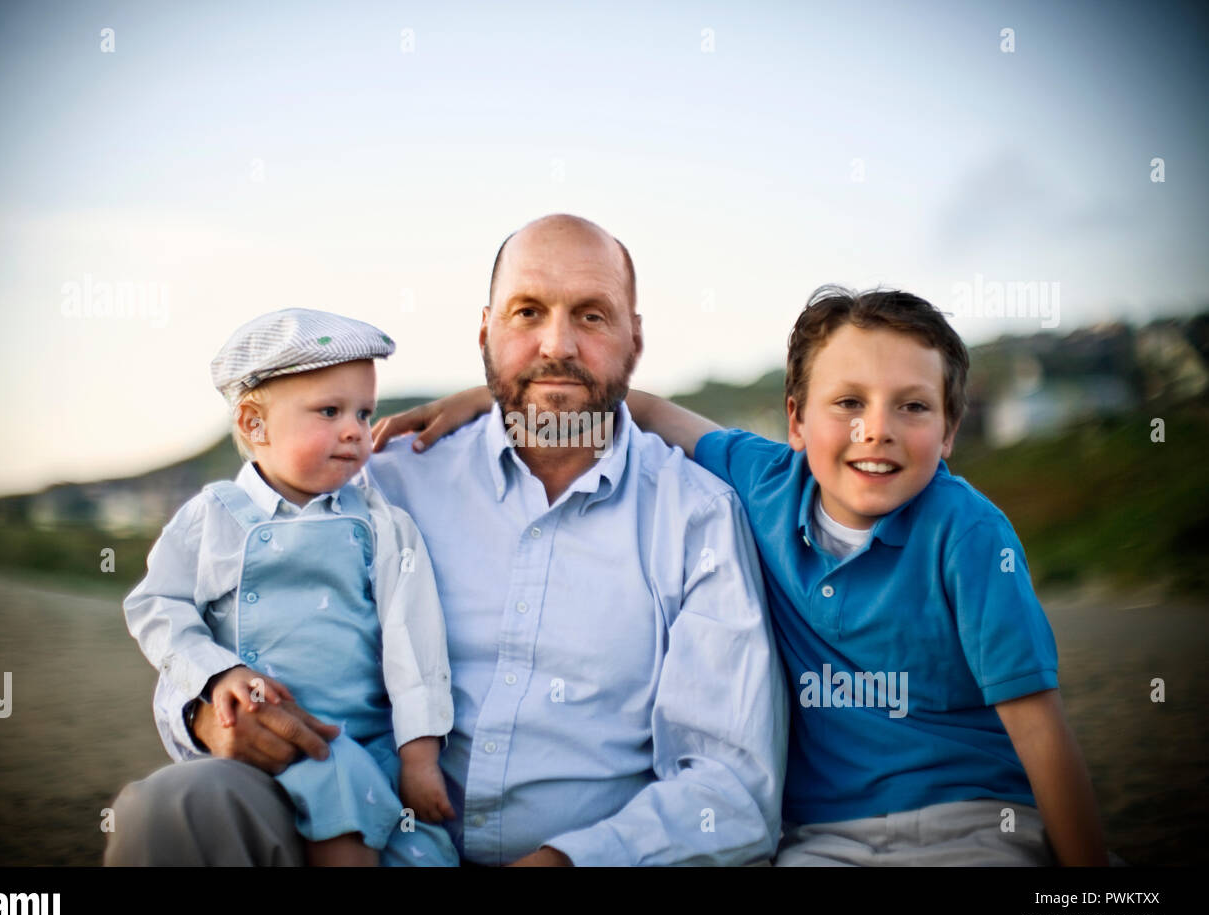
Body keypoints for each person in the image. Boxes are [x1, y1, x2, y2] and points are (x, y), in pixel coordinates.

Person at [104, 215, 787, 866]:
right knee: (176, 807)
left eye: (591, 314)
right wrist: (205, 714)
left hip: (588, 862)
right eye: (527, 312)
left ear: (633, 338)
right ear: (485, 331)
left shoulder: (695, 516)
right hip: (359, 826)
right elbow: (231, 627)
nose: (557, 345)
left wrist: (564, 862)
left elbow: (730, 790)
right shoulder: (381, 484)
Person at [399, 285, 1109, 866]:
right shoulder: (763, 481)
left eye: (913, 406)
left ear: (950, 431)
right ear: (796, 421)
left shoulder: (969, 533)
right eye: (849, 402)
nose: (877, 430)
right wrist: (493, 402)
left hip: (973, 823)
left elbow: (1041, 730)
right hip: (819, 839)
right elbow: (635, 407)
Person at [117, 307, 458, 866]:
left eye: (363, 411)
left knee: (362, 830)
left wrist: (419, 759)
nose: (355, 429)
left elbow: (414, 645)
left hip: (354, 743)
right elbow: (156, 604)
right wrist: (216, 671)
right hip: (253, 744)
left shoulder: (381, 524)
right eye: (330, 410)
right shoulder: (211, 518)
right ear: (254, 424)